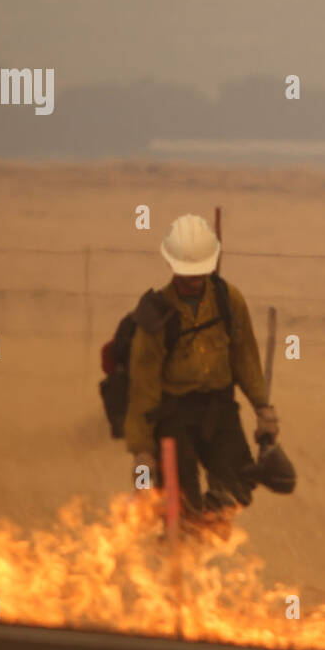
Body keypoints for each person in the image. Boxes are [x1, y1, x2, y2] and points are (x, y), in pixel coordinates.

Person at [124, 214, 281, 520]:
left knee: (239, 488)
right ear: (172, 265)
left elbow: (245, 357)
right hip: (174, 416)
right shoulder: (156, 315)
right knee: (179, 502)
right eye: (187, 272)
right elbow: (144, 386)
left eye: (200, 271)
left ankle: (201, 527)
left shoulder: (228, 300)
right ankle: (182, 537)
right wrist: (142, 454)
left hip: (219, 409)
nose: (194, 279)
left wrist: (263, 408)